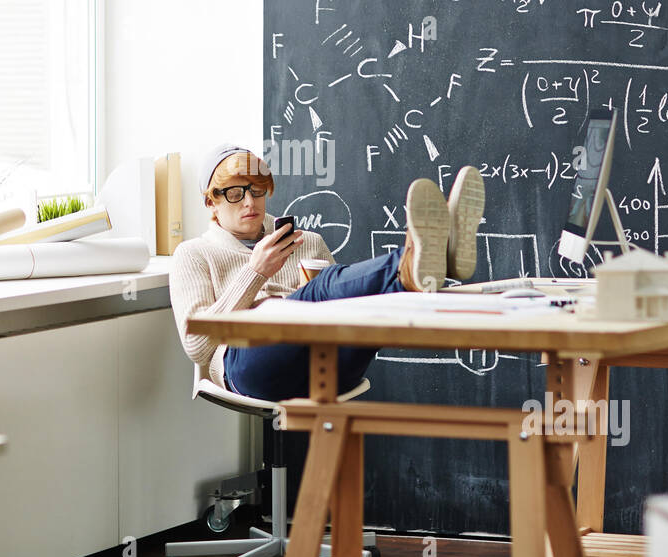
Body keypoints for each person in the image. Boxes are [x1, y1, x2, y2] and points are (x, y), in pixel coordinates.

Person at [169, 142, 485, 402]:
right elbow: (197, 347)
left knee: (363, 309)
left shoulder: (308, 243)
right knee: (321, 288)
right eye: (235, 194)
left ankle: (428, 261)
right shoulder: (193, 254)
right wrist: (256, 272)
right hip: (249, 368)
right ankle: (423, 259)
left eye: (258, 190)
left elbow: (342, 312)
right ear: (211, 202)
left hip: (329, 368)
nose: (250, 202)